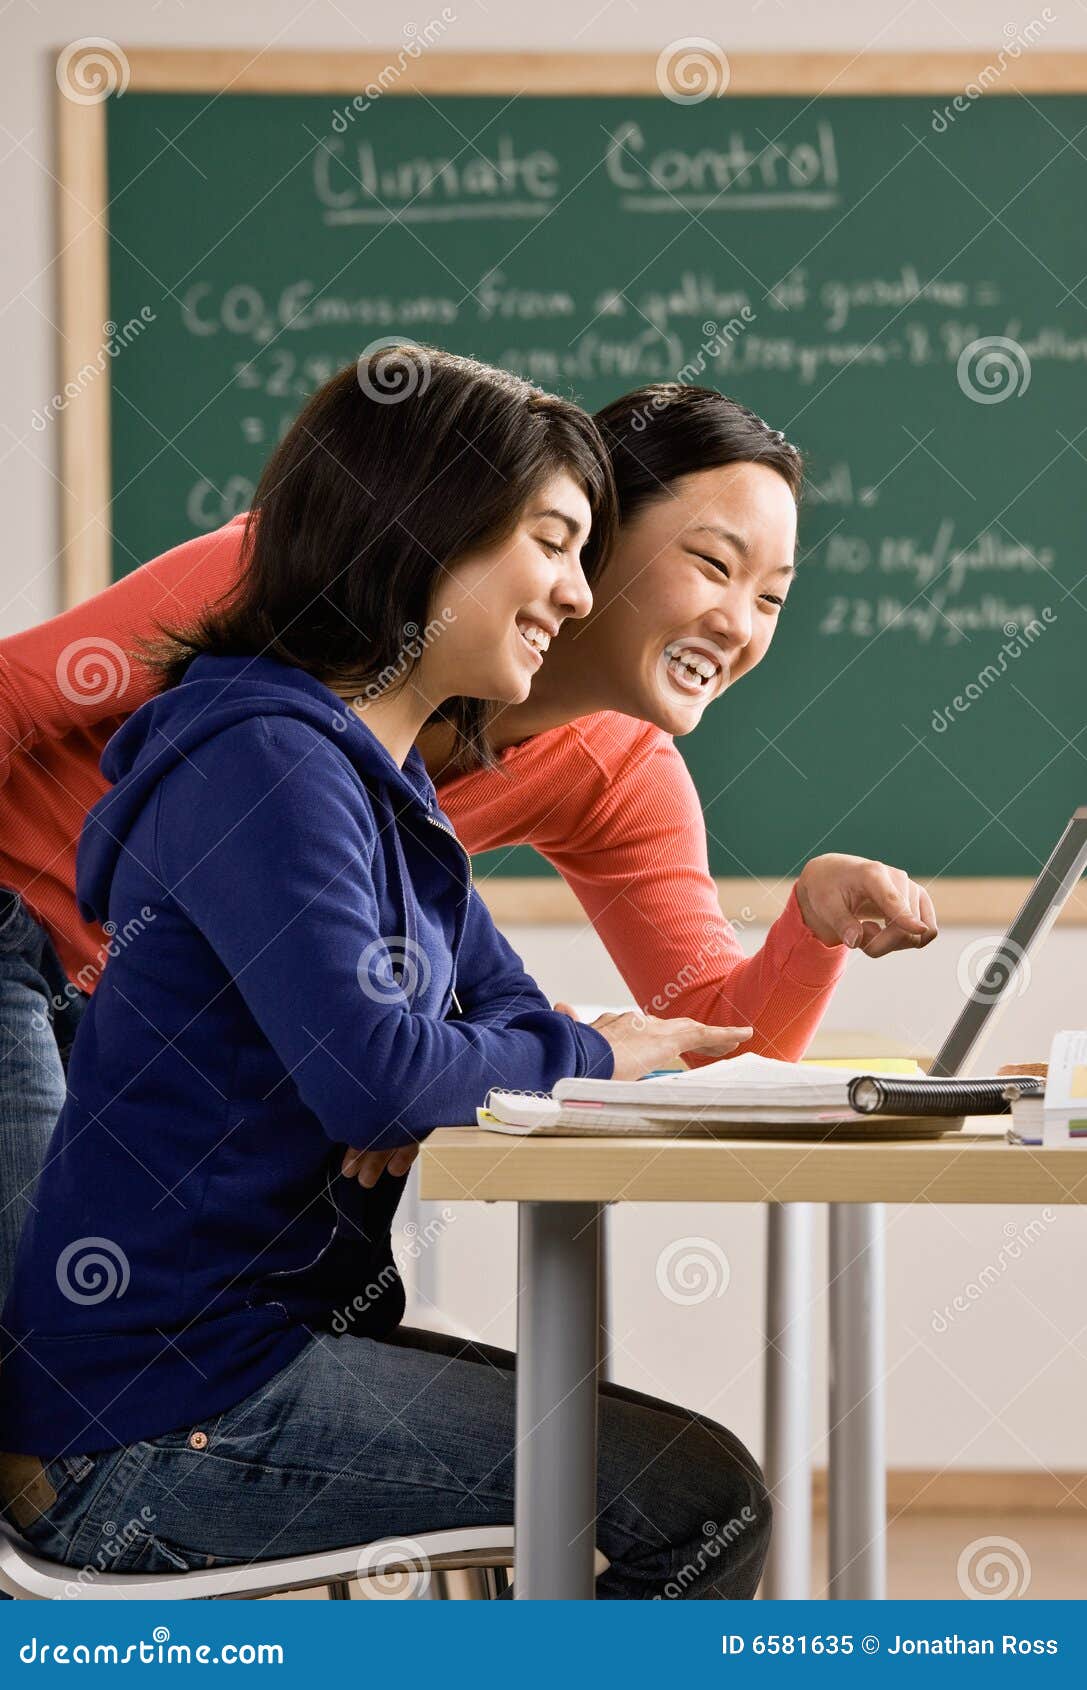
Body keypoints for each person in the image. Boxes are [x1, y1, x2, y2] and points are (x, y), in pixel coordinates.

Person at [0, 349, 767, 1600]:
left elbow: (488, 1019)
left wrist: (437, 1072)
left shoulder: (384, 783)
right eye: (556, 543)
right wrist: (513, 1061)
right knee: (702, 1503)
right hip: (159, 1420)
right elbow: (387, 1076)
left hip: (237, 1361)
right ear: (425, 528)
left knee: (688, 1477)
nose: (580, 597)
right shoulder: (263, 757)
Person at [0, 372, 935, 1273]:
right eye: (712, 565)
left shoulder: (618, 772)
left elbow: (707, 1044)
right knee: (38, 1335)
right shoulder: (297, 576)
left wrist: (812, 930)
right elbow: (15, 696)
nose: (738, 622)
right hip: (22, 929)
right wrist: (443, 1069)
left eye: (770, 597)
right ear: (591, 529)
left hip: (175, 1010)